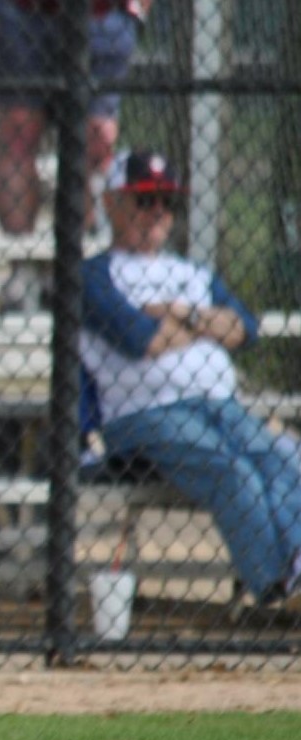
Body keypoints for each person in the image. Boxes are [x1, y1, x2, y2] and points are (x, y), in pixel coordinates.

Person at [82, 149, 301, 610]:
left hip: (219, 403)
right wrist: (205, 325)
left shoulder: (193, 272)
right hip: (144, 415)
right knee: (233, 471)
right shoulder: (95, 275)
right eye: (144, 200)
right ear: (110, 204)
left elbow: (244, 329)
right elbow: (137, 338)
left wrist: (178, 313)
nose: (158, 211)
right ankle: (277, 590)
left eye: (166, 200)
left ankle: (295, 570)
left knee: (285, 458)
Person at [0, 0, 148, 310]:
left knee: (97, 137)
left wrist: (137, 8)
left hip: (102, 12)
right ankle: (23, 268)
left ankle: (72, 271)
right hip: (20, 11)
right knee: (18, 130)